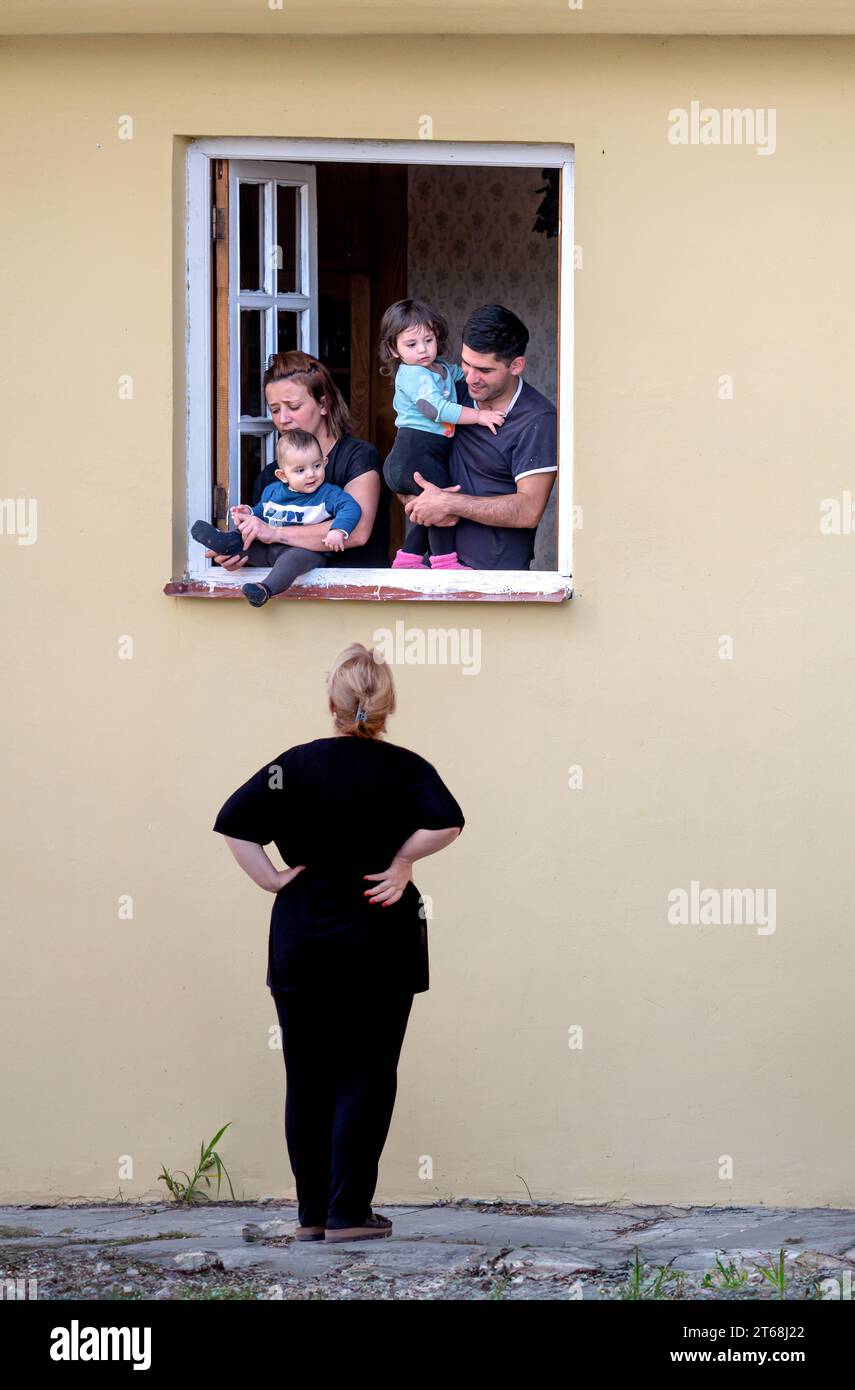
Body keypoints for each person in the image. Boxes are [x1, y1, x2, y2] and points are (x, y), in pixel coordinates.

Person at [212, 643, 465, 1242]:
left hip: (303, 942)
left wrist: (273, 879)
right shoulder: (407, 767)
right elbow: (449, 820)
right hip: (381, 940)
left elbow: (233, 822)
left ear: (332, 702)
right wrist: (402, 862)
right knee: (368, 1074)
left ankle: (312, 1217)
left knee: (308, 1079)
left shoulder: (292, 765)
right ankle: (350, 1213)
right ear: (387, 706)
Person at [207, 352, 390, 578]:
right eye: (275, 410)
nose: (283, 418)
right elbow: (264, 544)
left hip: (356, 595)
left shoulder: (358, 456)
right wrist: (237, 555)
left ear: (323, 404)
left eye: (293, 406)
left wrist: (273, 532)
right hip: (289, 602)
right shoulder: (271, 477)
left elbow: (357, 532)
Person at [403, 304, 557, 570]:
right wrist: (417, 501)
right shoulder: (449, 396)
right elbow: (409, 462)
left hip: (498, 577)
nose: (470, 378)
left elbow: (529, 510)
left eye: (484, 370)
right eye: (465, 363)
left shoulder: (538, 418)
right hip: (434, 569)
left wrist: (449, 504)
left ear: (516, 365)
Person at [377, 298, 506, 571]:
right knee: (442, 505)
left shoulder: (443, 369)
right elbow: (436, 409)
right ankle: (444, 563)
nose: (422, 350)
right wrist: (479, 416)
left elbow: (467, 378)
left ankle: (408, 560)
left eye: (428, 340)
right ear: (393, 349)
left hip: (425, 453)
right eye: (411, 345)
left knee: (432, 507)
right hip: (414, 452)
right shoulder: (412, 375)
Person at [192, 430, 361, 607]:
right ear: (283, 475)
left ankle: (264, 589)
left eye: (317, 466)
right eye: (300, 470)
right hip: (268, 550)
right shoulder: (272, 491)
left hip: (306, 552)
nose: (311, 474)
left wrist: (338, 530)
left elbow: (350, 507)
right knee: (245, 540)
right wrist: (248, 513)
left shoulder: (328, 493)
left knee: (291, 561)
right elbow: (263, 512)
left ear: (325, 462)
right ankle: (224, 542)